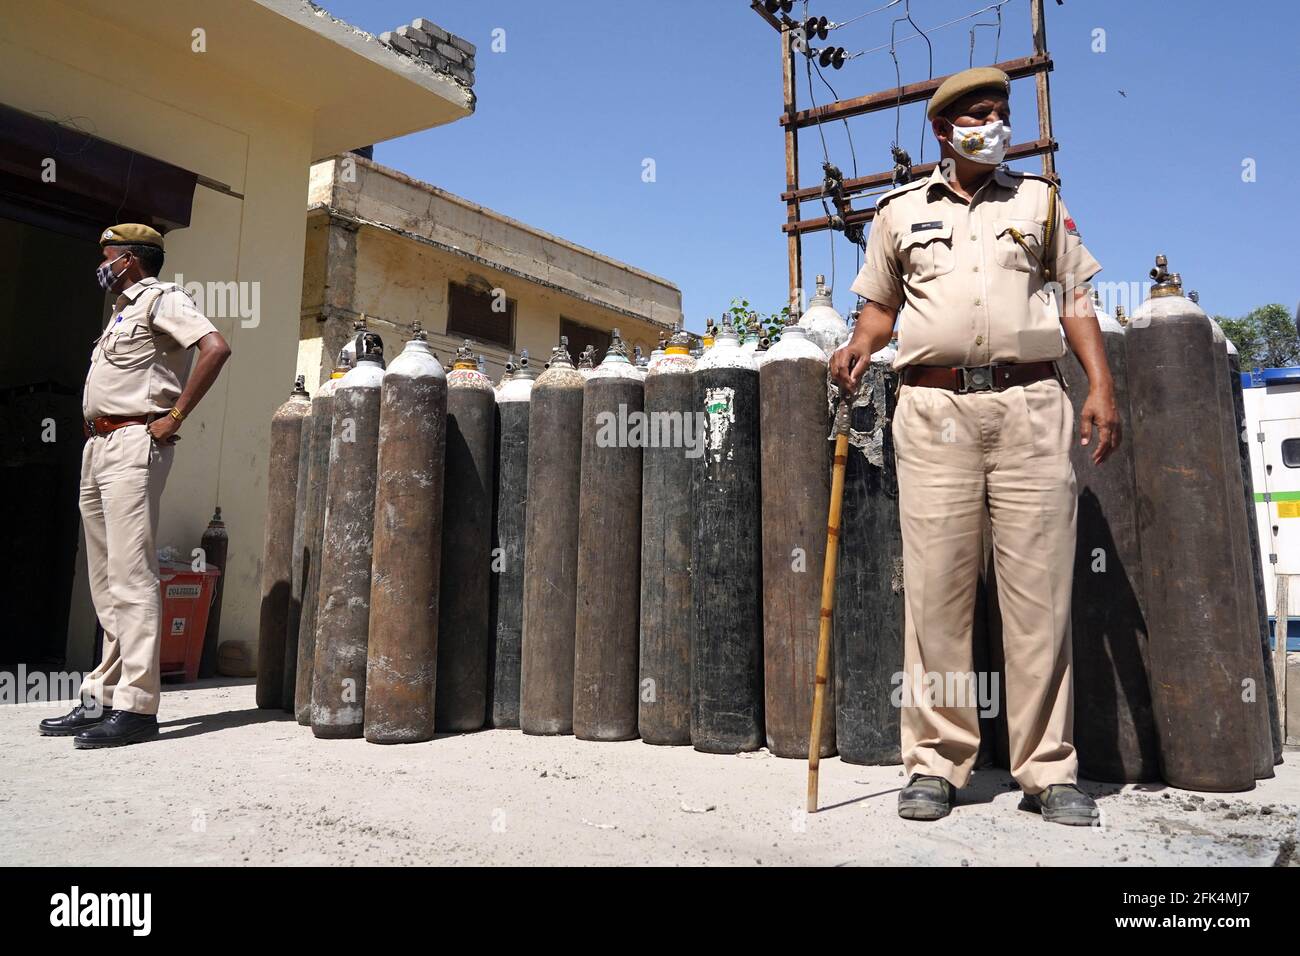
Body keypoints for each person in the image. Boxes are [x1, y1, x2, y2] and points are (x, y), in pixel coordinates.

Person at [829, 67, 1120, 825]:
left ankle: (1048, 770)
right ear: (943, 131)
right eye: (979, 115)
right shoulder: (897, 214)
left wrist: (1101, 386)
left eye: (1001, 112)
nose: (994, 125)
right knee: (937, 596)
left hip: (1030, 403)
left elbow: (1077, 298)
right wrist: (857, 348)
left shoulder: (1040, 201)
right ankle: (936, 765)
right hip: (933, 409)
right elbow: (879, 313)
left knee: (1040, 597)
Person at [39, 224, 230, 748]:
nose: (102, 265)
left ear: (130, 259)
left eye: (109, 257)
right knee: (104, 579)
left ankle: (138, 706)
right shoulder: (123, 314)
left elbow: (215, 347)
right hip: (98, 445)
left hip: (133, 442)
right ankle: (103, 694)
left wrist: (176, 415)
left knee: (131, 573)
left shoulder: (162, 299)